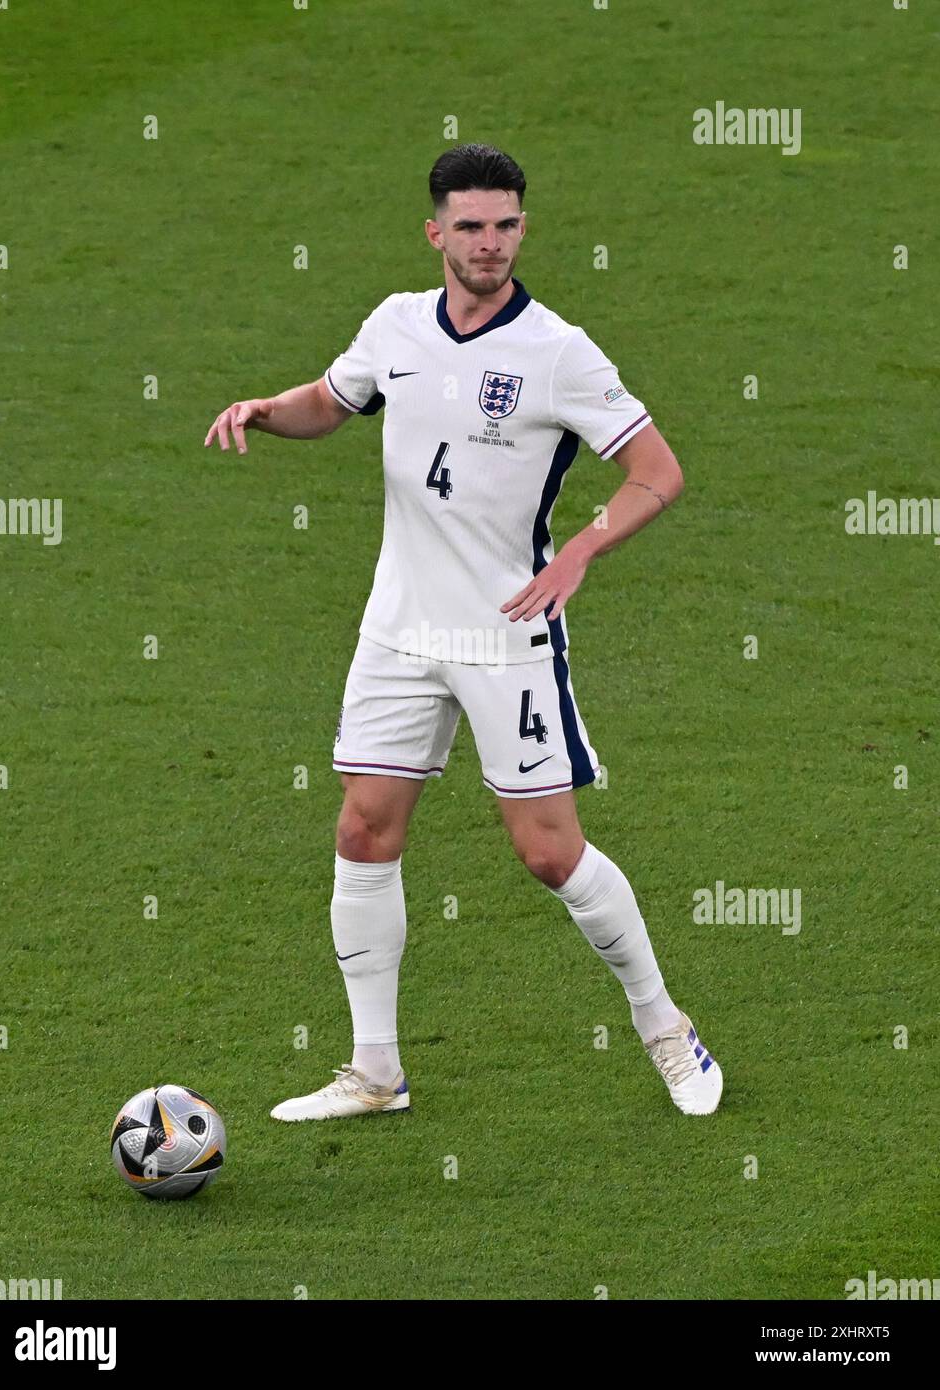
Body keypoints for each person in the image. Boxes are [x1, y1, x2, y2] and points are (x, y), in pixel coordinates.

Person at [204, 143, 723, 1121]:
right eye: (472, 226)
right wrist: (270, 411)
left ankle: (664, 1025)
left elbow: (659, 471)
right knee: (363, 827)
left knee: (548, 852)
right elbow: (335, 399)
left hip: (507, 638)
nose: (491, 244)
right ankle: (375, 1071)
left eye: (508, 225)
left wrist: (578, 554)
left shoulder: (558, 353)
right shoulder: (396, 325)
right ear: (436, 231)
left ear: (523, 229)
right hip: (399, 629)